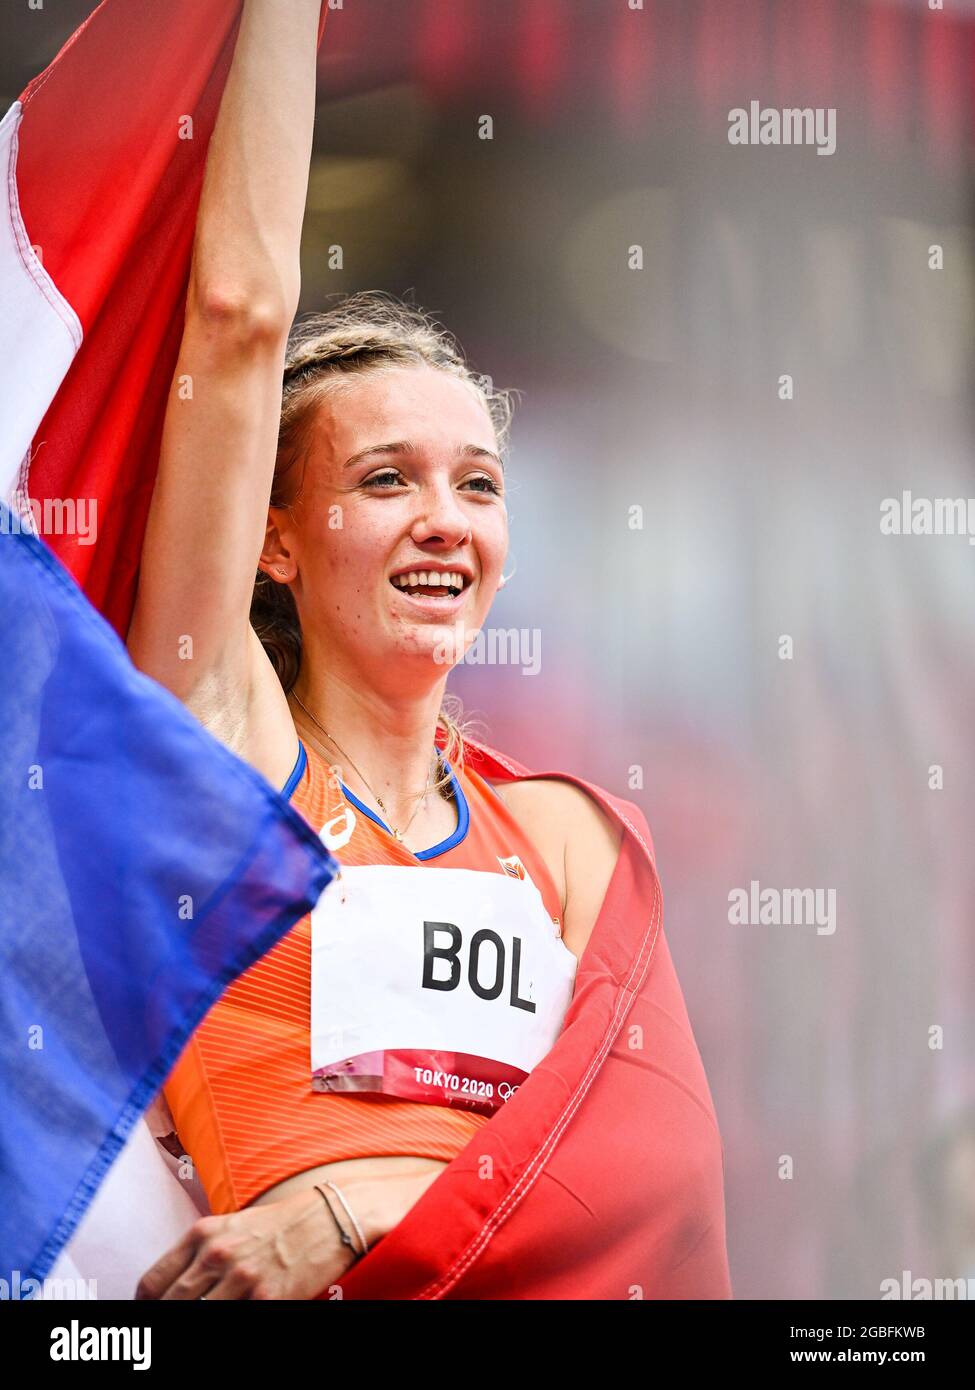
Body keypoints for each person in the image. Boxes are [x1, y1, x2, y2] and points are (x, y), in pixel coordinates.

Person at [126, 0, 624, 1301]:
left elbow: (626, 1175)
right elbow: (238, 315)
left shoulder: (567, 846)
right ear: (277, 540)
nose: (445, 522)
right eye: (387, 477)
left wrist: (350, 1206)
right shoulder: (220, 758)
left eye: (478, 484)